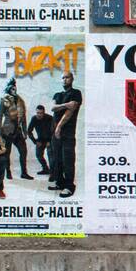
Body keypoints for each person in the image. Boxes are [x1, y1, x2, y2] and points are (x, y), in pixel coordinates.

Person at [49, 70, 82, 198]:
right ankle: (60, 182)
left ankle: (69, 187)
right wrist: (66, 104)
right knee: (57, 159)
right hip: (55, 133)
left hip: (67, 133)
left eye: (67, 77)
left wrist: (59, 127)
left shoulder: (76, 93)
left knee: (68, 159)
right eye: (62, 78)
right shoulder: (57, 94)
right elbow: (52, 108)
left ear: (72, 79)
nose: (64, 80)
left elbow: (70, 112)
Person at [0, 79, 32, 180]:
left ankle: (24, 172)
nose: (14, 89)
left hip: (18, 130)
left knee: (23, 151)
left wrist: (25, 132)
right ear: (8, 89)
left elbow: (23, 117)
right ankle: (8, 171)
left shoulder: (20, 100)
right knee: (7, 152)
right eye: (12, 88)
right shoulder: (4, 100)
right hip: (7, 130)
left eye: (15, 87)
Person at [28, 104, 54, 174]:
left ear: (44, 112)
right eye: (37, 113)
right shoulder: (34, 118)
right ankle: (45, 169)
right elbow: (29, 131)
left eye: (41, 113)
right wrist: (35, 141)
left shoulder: (50, 118)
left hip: (49, 139)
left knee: (50, 156)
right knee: (38, 154)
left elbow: (53, 131)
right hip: (40, 140)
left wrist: (50, 141)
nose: (39, 115)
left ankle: (52, 172)